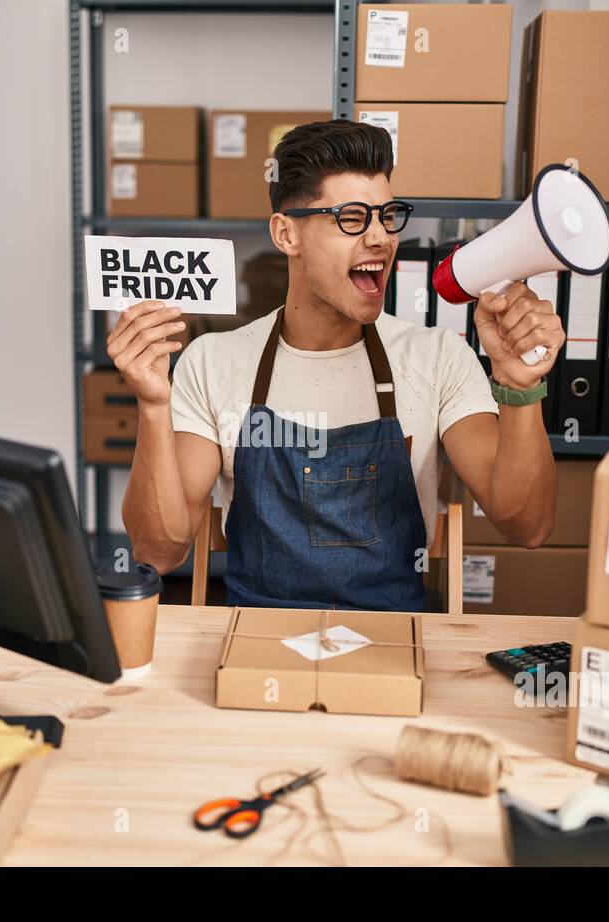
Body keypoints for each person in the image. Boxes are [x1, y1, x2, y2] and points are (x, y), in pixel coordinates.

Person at [113, 119, 563, 612]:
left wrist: (520, 388)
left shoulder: (437, 357)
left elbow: (527, 527)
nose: (380, 238)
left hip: (397, 644)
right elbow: (158, 552)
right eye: (352, 218)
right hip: (253, 641)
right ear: (287, 234)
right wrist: (153, 405)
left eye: (388, 215)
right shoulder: (214, 362)